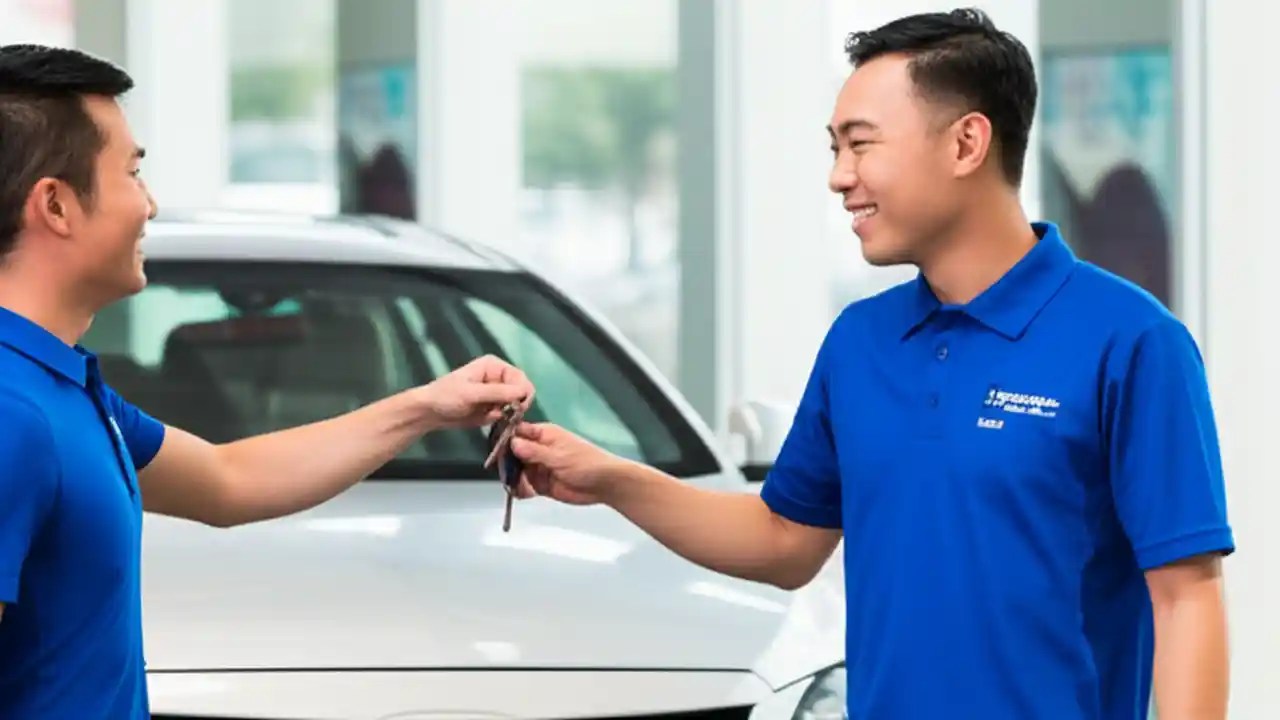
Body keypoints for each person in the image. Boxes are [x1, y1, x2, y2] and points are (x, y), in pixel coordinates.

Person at [509, 9, 1232, 720]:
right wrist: (610, 479)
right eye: (835, 148)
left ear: (966, 143)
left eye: (861, 144)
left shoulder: (1132, 342)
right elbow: (784, 540)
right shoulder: (860, 342)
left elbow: (1186, 597)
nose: (838, 176)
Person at [0, 45, 533, 719]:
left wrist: (428, 406)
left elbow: (229, 479)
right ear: (56, 205)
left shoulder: (61, 387)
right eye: (132, 173)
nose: (150, 204)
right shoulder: (12, 410)